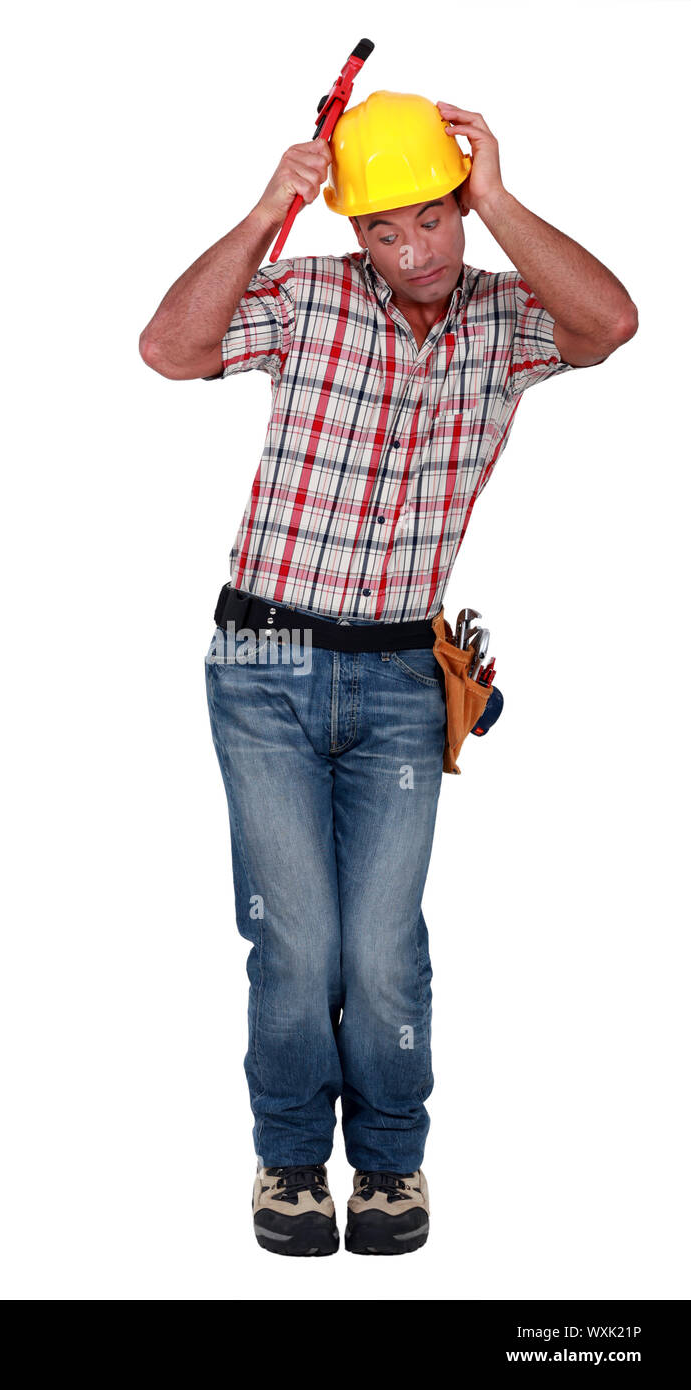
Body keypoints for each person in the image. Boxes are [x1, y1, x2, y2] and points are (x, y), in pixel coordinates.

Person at [138, 91, 637, 1257]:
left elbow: (608, 323)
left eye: (432, 221)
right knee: (296, 939)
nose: (413, 252)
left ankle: (393, 1168)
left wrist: (500, 197)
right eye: (384, 231)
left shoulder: (508, 325)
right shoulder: (309, 296)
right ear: (353, 231)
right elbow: (169, 349)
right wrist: (270, 203)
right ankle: (290, 1163)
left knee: (378, 943)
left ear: (457, 208)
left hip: (403, 673)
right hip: (262, 656)